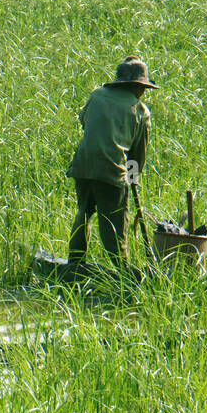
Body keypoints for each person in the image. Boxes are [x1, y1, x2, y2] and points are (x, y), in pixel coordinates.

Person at [66, 56, 159, 264]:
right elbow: (137, 154)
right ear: (138, 86)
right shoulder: (141, 111)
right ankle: (120, 270)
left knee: (83, 214)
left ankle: (74, 263)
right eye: (143, 88)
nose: (143, 92)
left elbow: (84, 122)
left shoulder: (97, 95)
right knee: (115, 224)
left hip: (82, 165)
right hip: (112, 171)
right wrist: (132, 179)